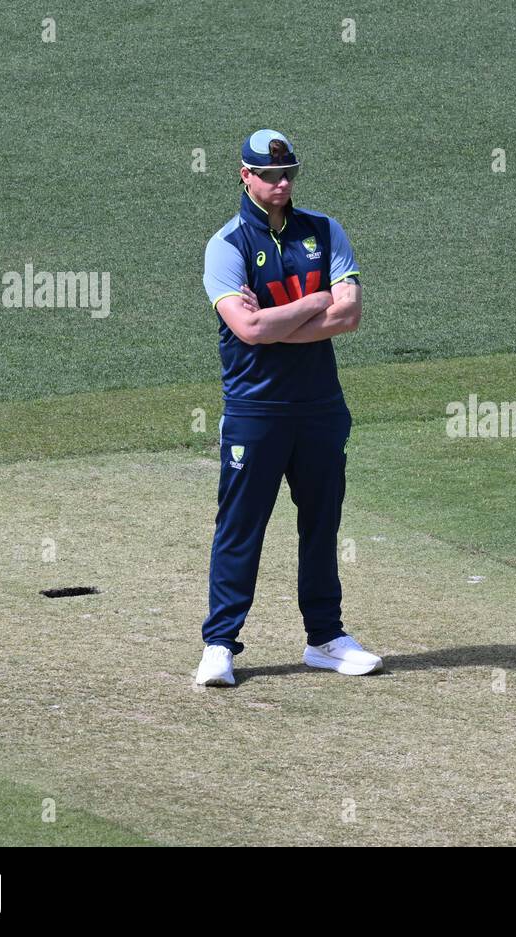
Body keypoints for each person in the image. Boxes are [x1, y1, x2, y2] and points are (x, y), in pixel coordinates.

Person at [194, 128, 381, 687]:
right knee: (240, 527)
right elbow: (246, 328)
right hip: (256, 408)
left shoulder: (324, 231)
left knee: (321, 525)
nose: (281, 183)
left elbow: (348, 316)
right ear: (245, 176)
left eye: (288, 174)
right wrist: (314, 301)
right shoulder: (225, 246)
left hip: (320, 406)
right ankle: (219, 644)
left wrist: (281, 323)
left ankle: (325, 638)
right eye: (270, 175)